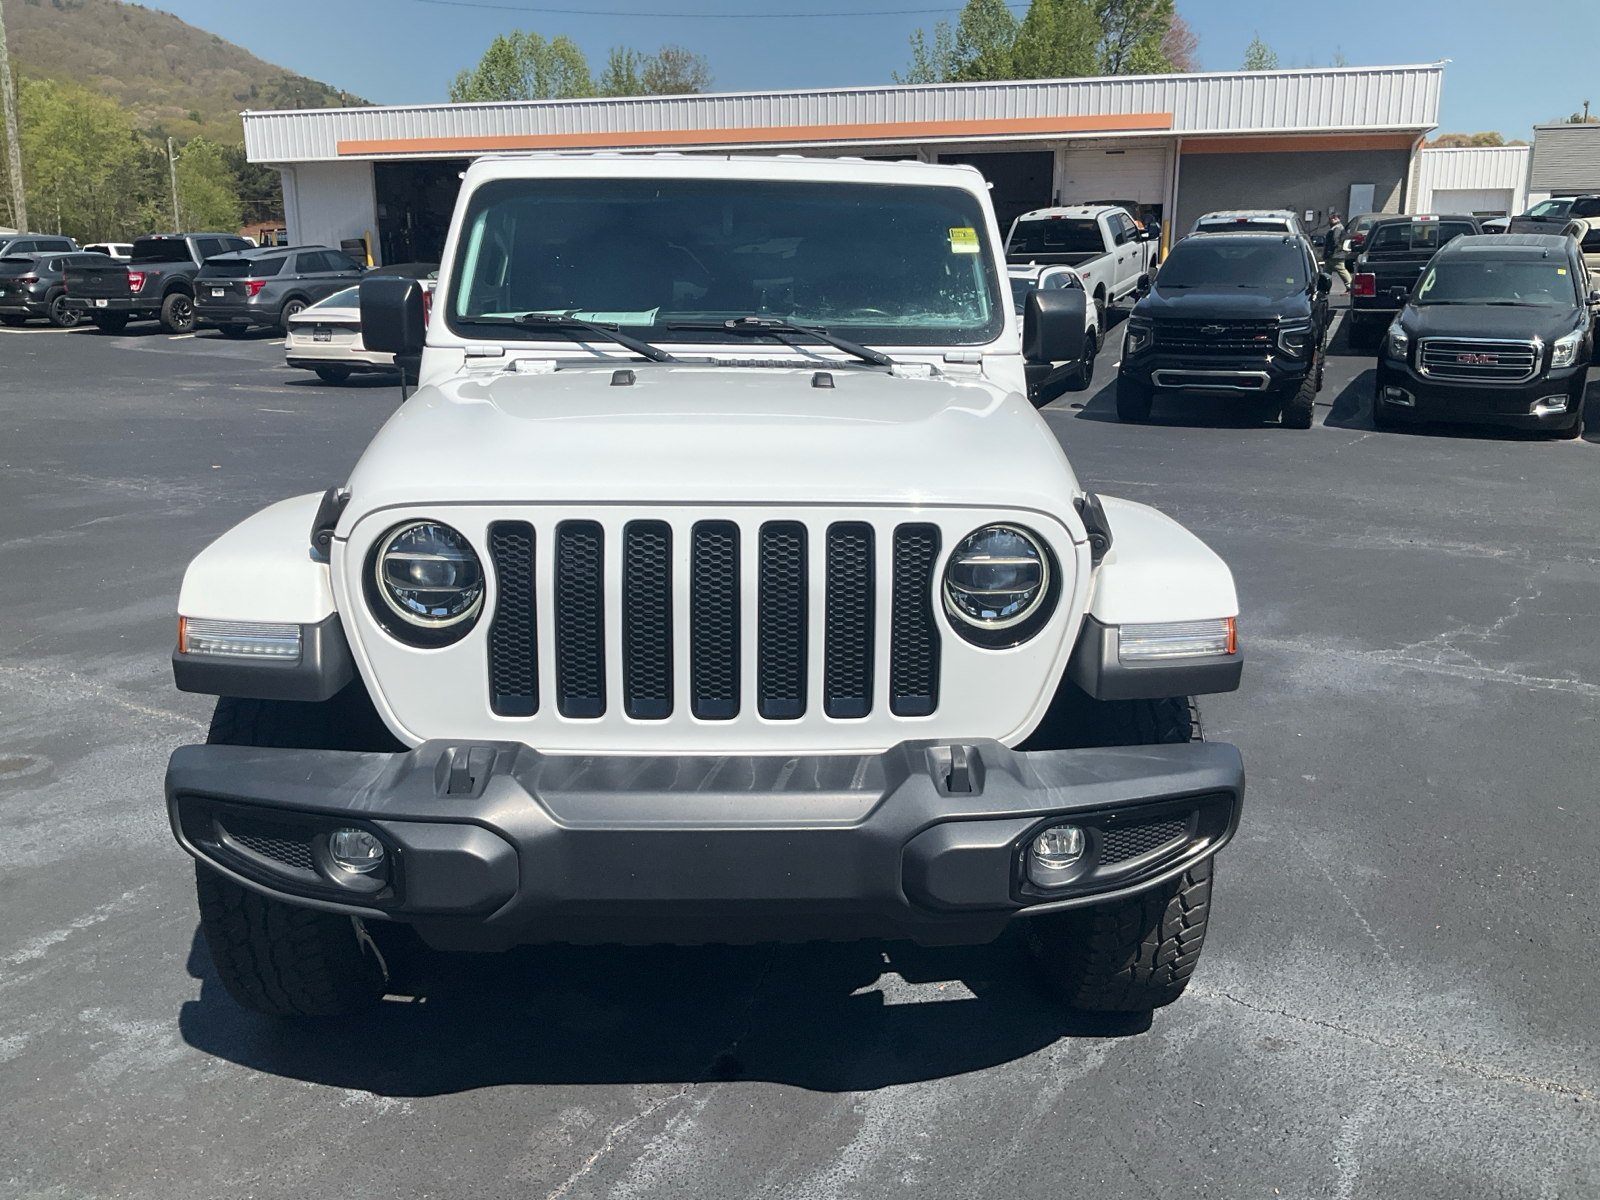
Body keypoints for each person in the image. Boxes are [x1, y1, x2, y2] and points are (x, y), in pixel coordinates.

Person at [1323, 210, 1351, 287]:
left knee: (1341, 269)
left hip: (1335, 254)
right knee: (1326, 271)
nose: (1329, 222)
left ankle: (1349, 285)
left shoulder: (1337, 228)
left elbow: (1335, 240)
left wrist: (1330, 250)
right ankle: (1324, 286)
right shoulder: (1338, 227)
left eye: (1330, 220)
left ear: (1335, 219)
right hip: (1332, 254)